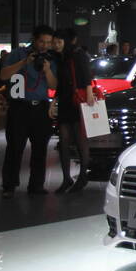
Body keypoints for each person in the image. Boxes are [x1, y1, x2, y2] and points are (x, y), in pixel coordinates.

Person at [0, 25, 58, 197]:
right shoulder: (18, 54)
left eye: (48, 42)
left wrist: (47, 70)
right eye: (41, 41)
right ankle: (9, 185)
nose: (45, 45)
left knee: (40, 148)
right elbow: (3, 75)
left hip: (40, 107)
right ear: (34, 39)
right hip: (19, 107)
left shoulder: (51, 59)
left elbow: (54, 85)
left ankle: (36, 185)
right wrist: (24, 62)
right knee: (15, 147)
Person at [53, 26, 96, 192]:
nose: (56, 45)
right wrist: (54, 101)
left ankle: (83, 176)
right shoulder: (60, 57)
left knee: (80, 140)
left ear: (65, 41)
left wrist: (90, 94)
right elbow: (61, 82)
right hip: (65, 101)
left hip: (77, 101)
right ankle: (66, 178)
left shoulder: (78, 55)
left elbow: (86, 76)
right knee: (63, 141)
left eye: (59, 42)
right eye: (55, 42)